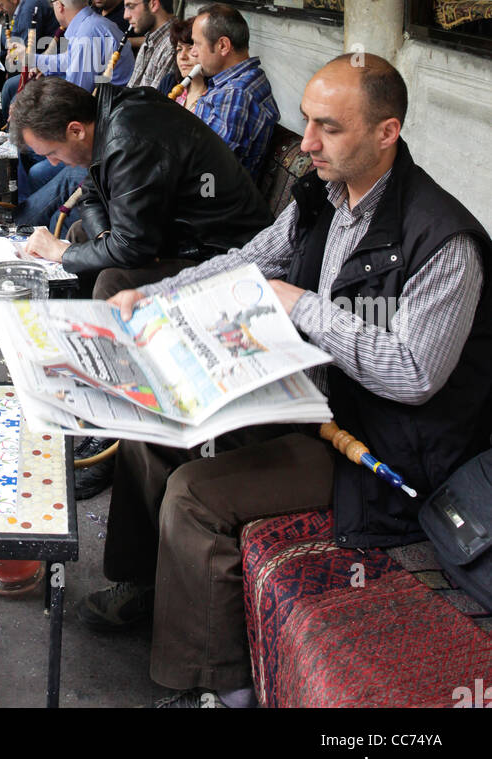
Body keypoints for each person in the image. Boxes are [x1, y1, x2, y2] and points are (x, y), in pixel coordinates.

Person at [78, 55, 492, 709]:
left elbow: (414, 376)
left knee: (194, 495)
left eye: (329, 128)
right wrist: (157, 297)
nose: (307, 144)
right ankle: (146, 585)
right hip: (311, 398)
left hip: (382, 449)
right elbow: (248, 261)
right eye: (306, 122)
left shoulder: (443, 243)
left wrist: (301, 306)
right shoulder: (323, 198)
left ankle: (219, 685)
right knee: (153, 425)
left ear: (387, 133)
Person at [15, 77, 272, 298]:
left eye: (52, 152)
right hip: (176, 231)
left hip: (219, 249)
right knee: (81, 232)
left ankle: (105, 349)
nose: (54, 162)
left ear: (75, 130)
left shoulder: (127, 139)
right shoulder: (107, 119)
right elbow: (91, 196)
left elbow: (131, 247)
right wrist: (103, 237)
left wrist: (65, 253)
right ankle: (79, 322)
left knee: (113, 281)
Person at [13, 0, 134, 227]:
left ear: (58, 6)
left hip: (101, 130)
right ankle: (30, 218)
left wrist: (30, 105)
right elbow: (68, 63)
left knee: (34, 166)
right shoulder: (88, 25)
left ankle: (27, 225)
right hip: (99, 118)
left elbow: (72, 98)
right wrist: (35, 60)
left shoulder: (89, 32)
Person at [188, 3, 280, 179]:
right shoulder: (244, 80)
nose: (193, 52)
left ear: (223, 45)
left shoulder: (235, 93)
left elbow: (207, 166)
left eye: (197, 44)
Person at [125, 0, 176, 87]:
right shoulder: (149, 40)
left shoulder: (172, 46)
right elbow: (132, 89)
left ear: (153, 4)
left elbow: (151, 103)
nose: (126, 15)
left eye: (131, 6)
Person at [159, 17, 206, 111]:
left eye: (190, 48)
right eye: (179, 49)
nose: (182, 56)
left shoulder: (216, 95)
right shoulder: (170, 82)